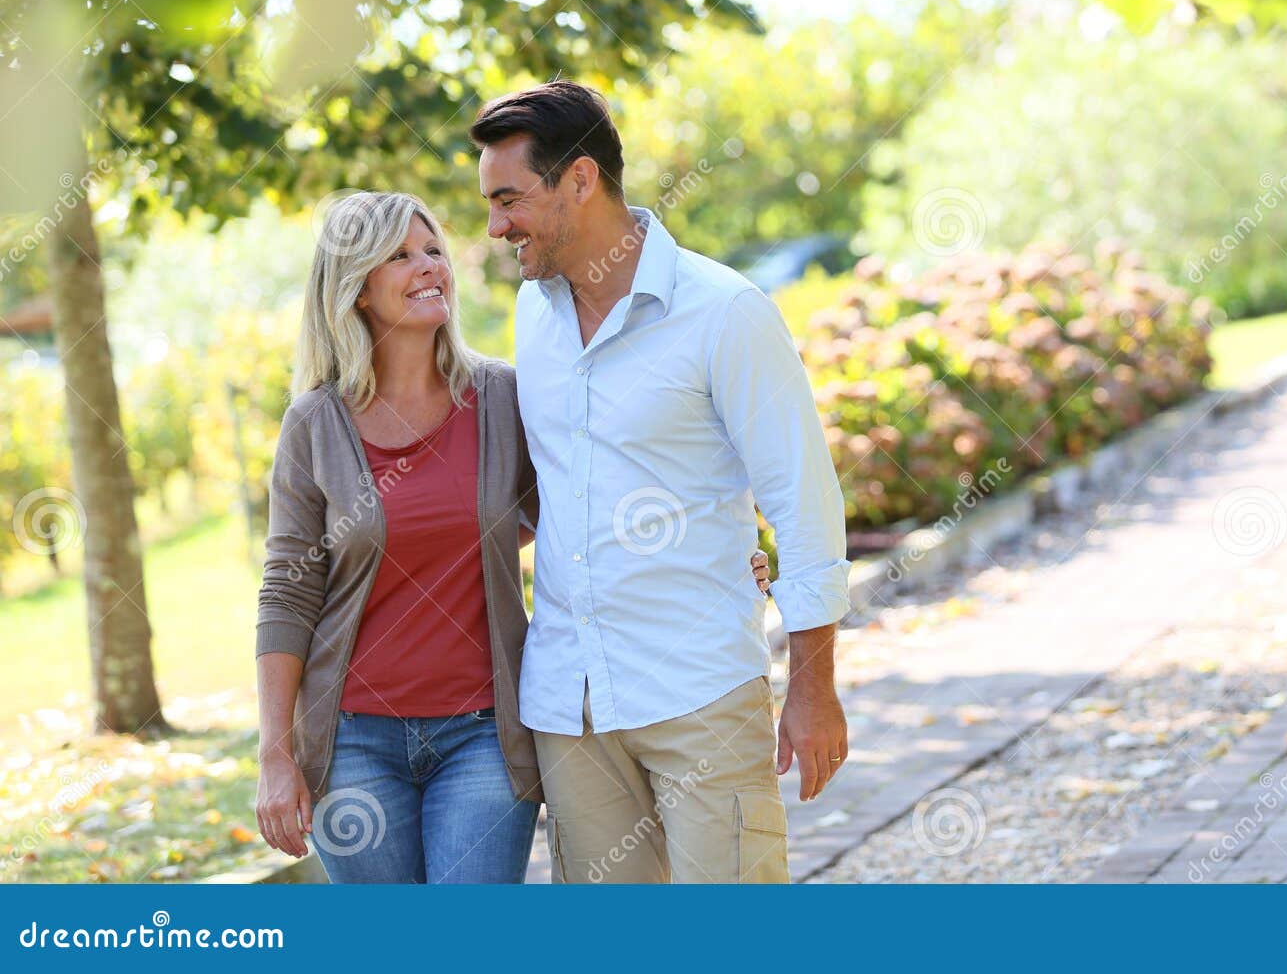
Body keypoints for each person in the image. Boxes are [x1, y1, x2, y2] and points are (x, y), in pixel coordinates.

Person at [251, 187, 776, 882]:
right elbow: (288, 593)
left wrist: (715, 552)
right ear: (356, 290)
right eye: (401, 256)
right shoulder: (315, 425)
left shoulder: (500, 398)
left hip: (483, 733)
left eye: (434, 249)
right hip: (353, 740)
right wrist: (275, 753)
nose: (429, 266)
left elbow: (583, 498)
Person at [473, 80, 851, 884]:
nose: (496, 224)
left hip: (701, 691)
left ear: (580, 179)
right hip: (571, 707)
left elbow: (804, 503)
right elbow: (555, 485)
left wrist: (813, 686)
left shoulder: (725, 311)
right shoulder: (533, 316)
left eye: (509, 198)